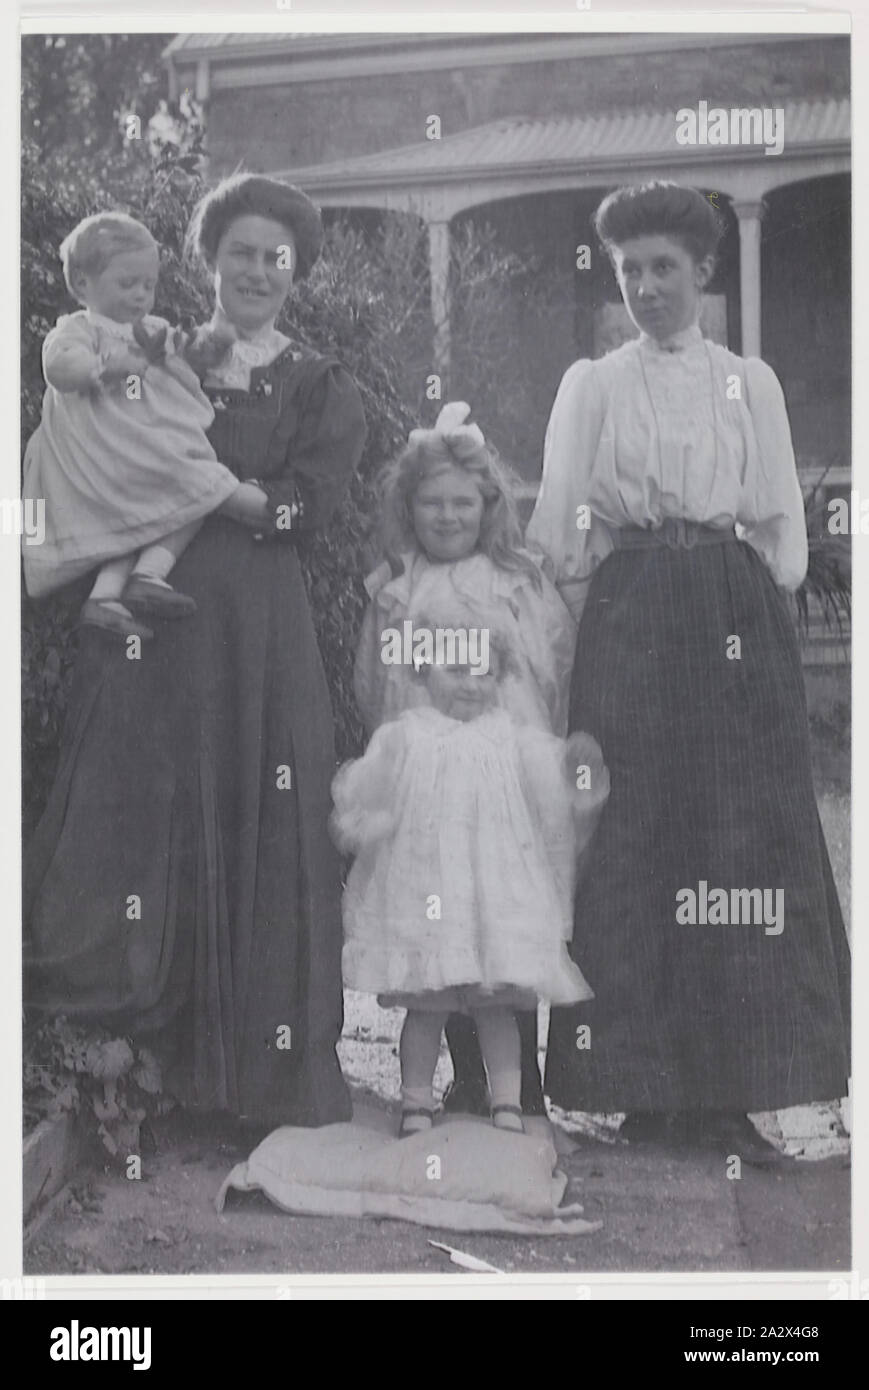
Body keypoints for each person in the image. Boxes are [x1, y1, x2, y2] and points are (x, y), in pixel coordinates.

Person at [25, 174, 367, 1129]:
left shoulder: (316, 382)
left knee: (258, 811)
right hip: (148, 619)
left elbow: (307, 510)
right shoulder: (146, 351)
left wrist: (224, 493)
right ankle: (134, 1063)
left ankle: (250, 1085)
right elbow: (72, 446)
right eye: (239, 254)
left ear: (295, 271)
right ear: (207, 262)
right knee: (138, 815)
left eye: (275, 257)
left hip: (258, 631)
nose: (256, 271)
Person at [526, 180, 850, 1163]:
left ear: (703, 272)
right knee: (630, 839)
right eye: (629, 270)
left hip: (728, 614)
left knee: (733, 844)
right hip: (628, 614)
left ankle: (733, 1088)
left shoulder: (746, 382)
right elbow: (558, 529)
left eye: (663, 267)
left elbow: (783, 534)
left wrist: (747, 592)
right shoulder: (592, 385)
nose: (645, 287)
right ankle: (638, 1089)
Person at [353, 402, 577, 1117]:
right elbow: (372, 683)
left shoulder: (516, 581)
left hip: (504, 777)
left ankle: (521, 1092)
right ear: (408, 507)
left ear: (487, 506)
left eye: (462, 502)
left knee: (503, 917)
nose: (447, 517)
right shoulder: (394, 588)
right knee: (440, 922)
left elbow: (549, 667)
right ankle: (461, 1081)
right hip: (428, 781)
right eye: (430, 503)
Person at [333, 625, 608, 1136]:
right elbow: (372, 787)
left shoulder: (510, 735)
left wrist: (575, 770)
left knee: (496, 1006)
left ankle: (507, 1103)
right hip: (428, 894)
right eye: (455, 669)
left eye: (482, 671)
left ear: (499, 676)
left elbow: (550, 775)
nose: (470, 684)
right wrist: (361, 805)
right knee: (426, 1005)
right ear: (423, 669)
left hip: (491, 900)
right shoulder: (405, 735)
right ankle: (415, 1102)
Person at [23, 211, 241, 638]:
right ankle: (130, 583)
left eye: (149, 285)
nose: (142, 295)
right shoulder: (79, 328)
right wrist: (101, 366)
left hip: (142, 441)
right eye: (128, 284)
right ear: (83, 284)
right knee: (198, 484)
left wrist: (205, 349)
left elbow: (182, 355)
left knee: (165, 503)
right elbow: (57, 366)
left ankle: (122, 589)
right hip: (106, 444)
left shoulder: (151, 329)